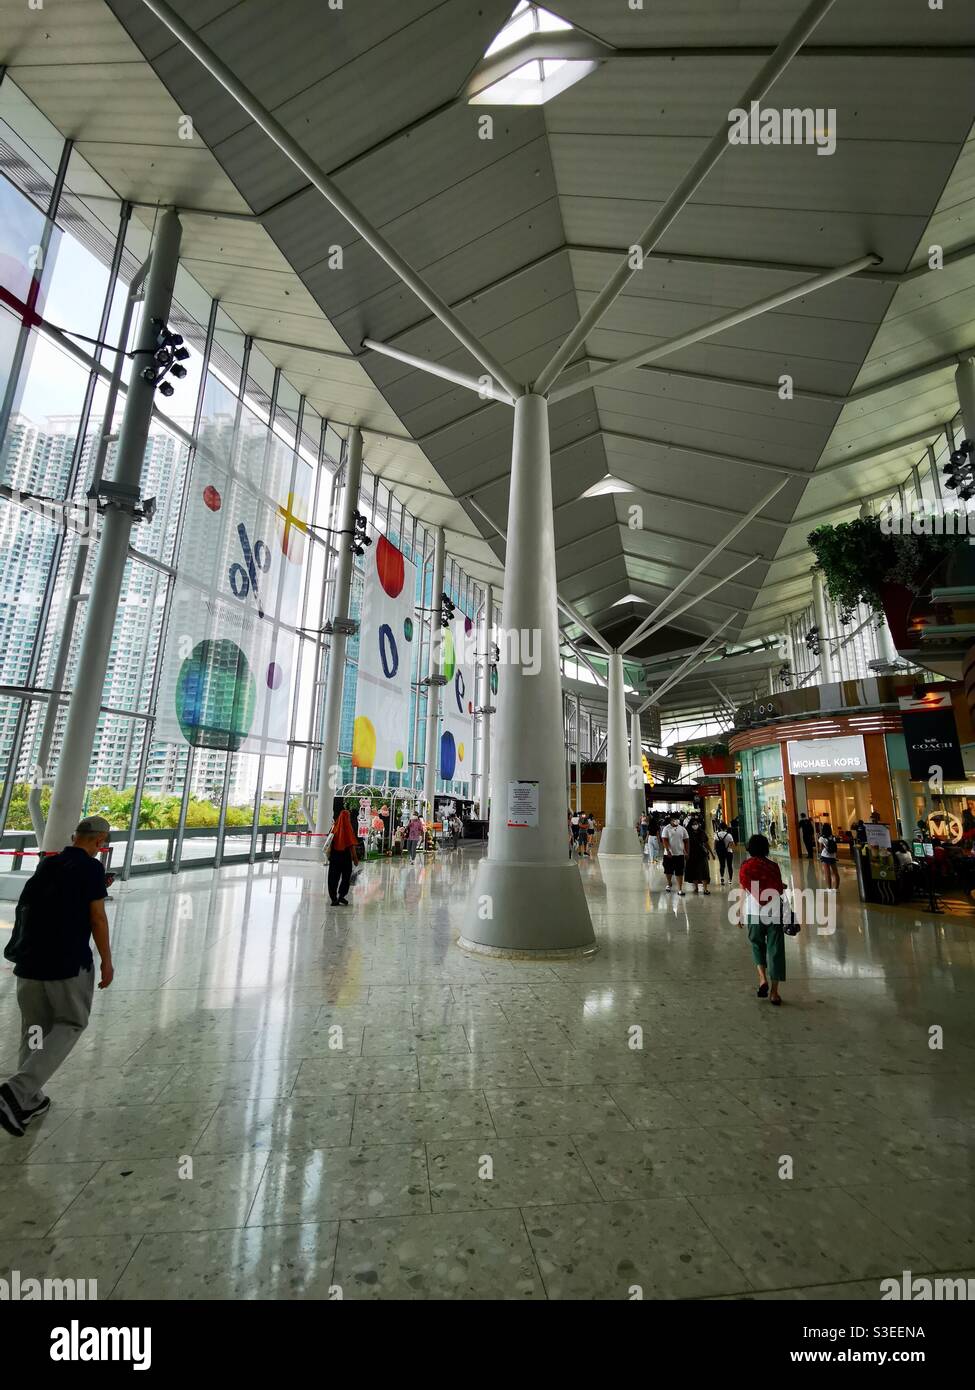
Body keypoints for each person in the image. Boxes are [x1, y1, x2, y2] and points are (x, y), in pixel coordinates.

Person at [0, 816, 114, 1140]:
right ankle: (14, 1091)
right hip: (66, 965)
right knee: (70, 1023)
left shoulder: (47, 865)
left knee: (35, 1029)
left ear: (73, 835)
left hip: (29, 965)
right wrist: (106, 961)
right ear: (98, 841)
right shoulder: (91, 868)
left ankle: (29, 1100)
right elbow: (97, 917)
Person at [737, 833, 787, 1005]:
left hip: (753, 911)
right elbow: (779, 888)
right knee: (776, 950)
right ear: (766, 848)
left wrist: (739, 912)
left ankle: (762, 979)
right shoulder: (773, 866)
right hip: (773, 912)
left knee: (757, 946)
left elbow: (743, 890)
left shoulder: (746, 867)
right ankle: (774, 992)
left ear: (749, 848)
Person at [327, 808, 359, 905]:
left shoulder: (334, 827)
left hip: (334, 856)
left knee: (333, 877)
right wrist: (355, 858)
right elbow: (351, 845)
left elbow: (329, 841)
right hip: (345, 857)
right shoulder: (348, 828)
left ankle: (333, 898)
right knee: (346, 877)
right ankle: (341, 895)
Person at [660, 815, 689, 895]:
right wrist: (668, 850)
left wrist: (686, 852)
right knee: (668, 871)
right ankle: (669, 883)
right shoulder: (666, 828)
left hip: (679, 854)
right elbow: (664, 840)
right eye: (674, 819)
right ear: (671, 820)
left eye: (677, 819)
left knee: (679, 872)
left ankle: (680, 889)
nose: (676, 821)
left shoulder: (682, 829)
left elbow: (686, 841)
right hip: (668, 854)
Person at [685, 816, 713, 894]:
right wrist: (685, 852)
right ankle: (696, 887)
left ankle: (705, 889)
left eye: (696, 824)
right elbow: (684, 843)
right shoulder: (687, 833)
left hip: (702, 854)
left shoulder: (702, 832)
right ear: (690, 825)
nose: (695, 825)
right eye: (693, 824)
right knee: (693, 871)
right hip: (691, 854)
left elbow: (706, 843)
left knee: (704, 871)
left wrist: (711, 853)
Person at [818, 820, 840, 889]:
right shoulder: (833, 837)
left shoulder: (822, 838)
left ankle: (829, 888)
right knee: (835, 873)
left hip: (825, 856)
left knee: (827, 873)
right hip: (833, 856)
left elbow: (820, 848)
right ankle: (836, 888)